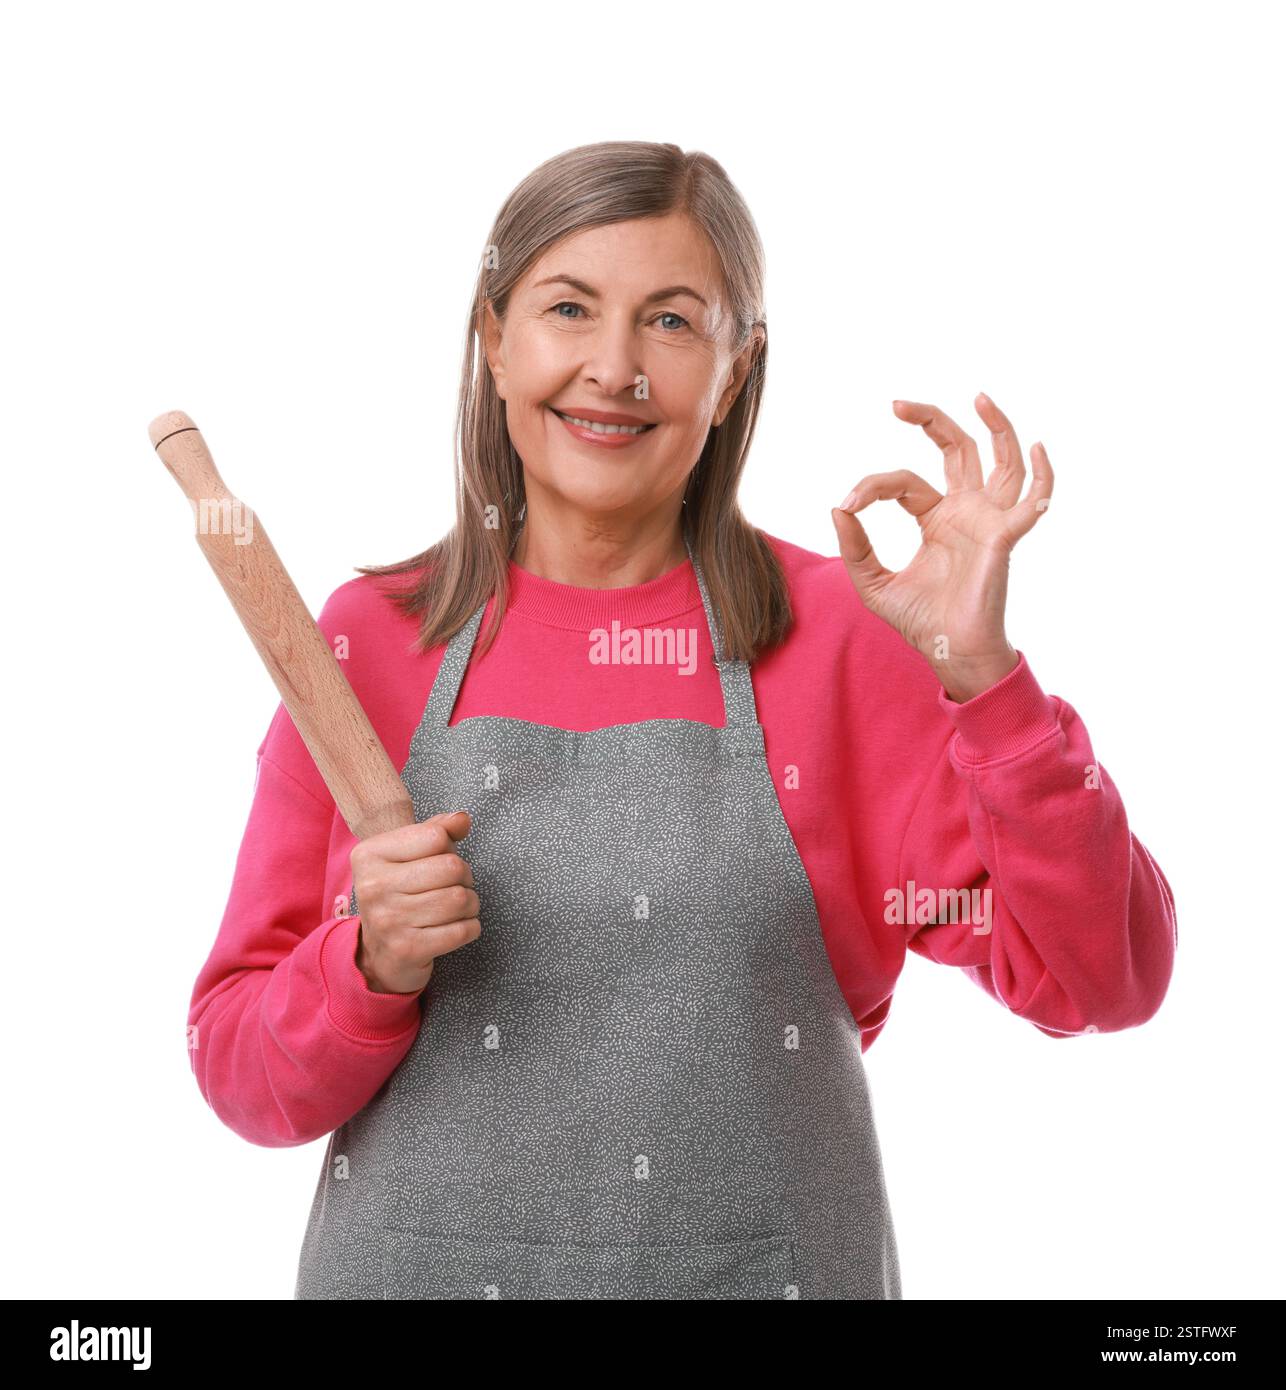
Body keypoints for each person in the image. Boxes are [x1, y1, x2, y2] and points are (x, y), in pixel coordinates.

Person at [186, 140, 1176, 1300]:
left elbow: (1104, 976)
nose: (613, 368)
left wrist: (988, 685)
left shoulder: (849, 641)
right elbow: (240, 1071)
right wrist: (364, 960)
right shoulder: (363, 645)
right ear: (495, 340)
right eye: (567, 309)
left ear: (734, 369)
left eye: (669, 322)